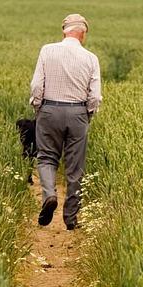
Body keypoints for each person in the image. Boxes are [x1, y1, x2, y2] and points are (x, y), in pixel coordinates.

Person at [29, 13, 102, 229]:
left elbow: (36, 85)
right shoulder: (91, 58)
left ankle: (50, 195)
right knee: (75, 167)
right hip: (78, 113)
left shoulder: (47, 50)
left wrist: (38, 107)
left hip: (49, 109)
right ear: (83, 34)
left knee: (47, 158)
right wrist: (86, 114)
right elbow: (95, 96)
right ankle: (71, 219)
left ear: (64, 31)